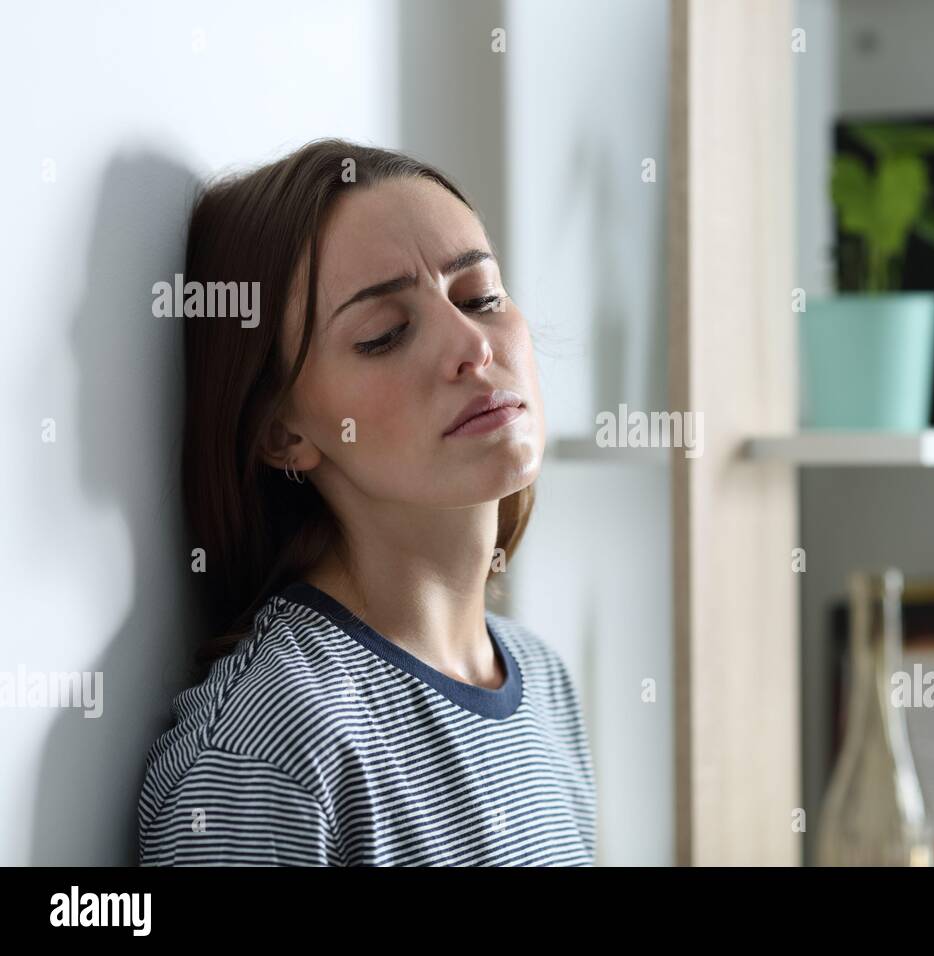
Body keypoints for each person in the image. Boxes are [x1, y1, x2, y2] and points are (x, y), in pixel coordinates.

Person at [136, 139, 595, 865]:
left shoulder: (543, 680)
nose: (472, 344)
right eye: (384, 335)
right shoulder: (271, 750)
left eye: (481, 297)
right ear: (283, 432)